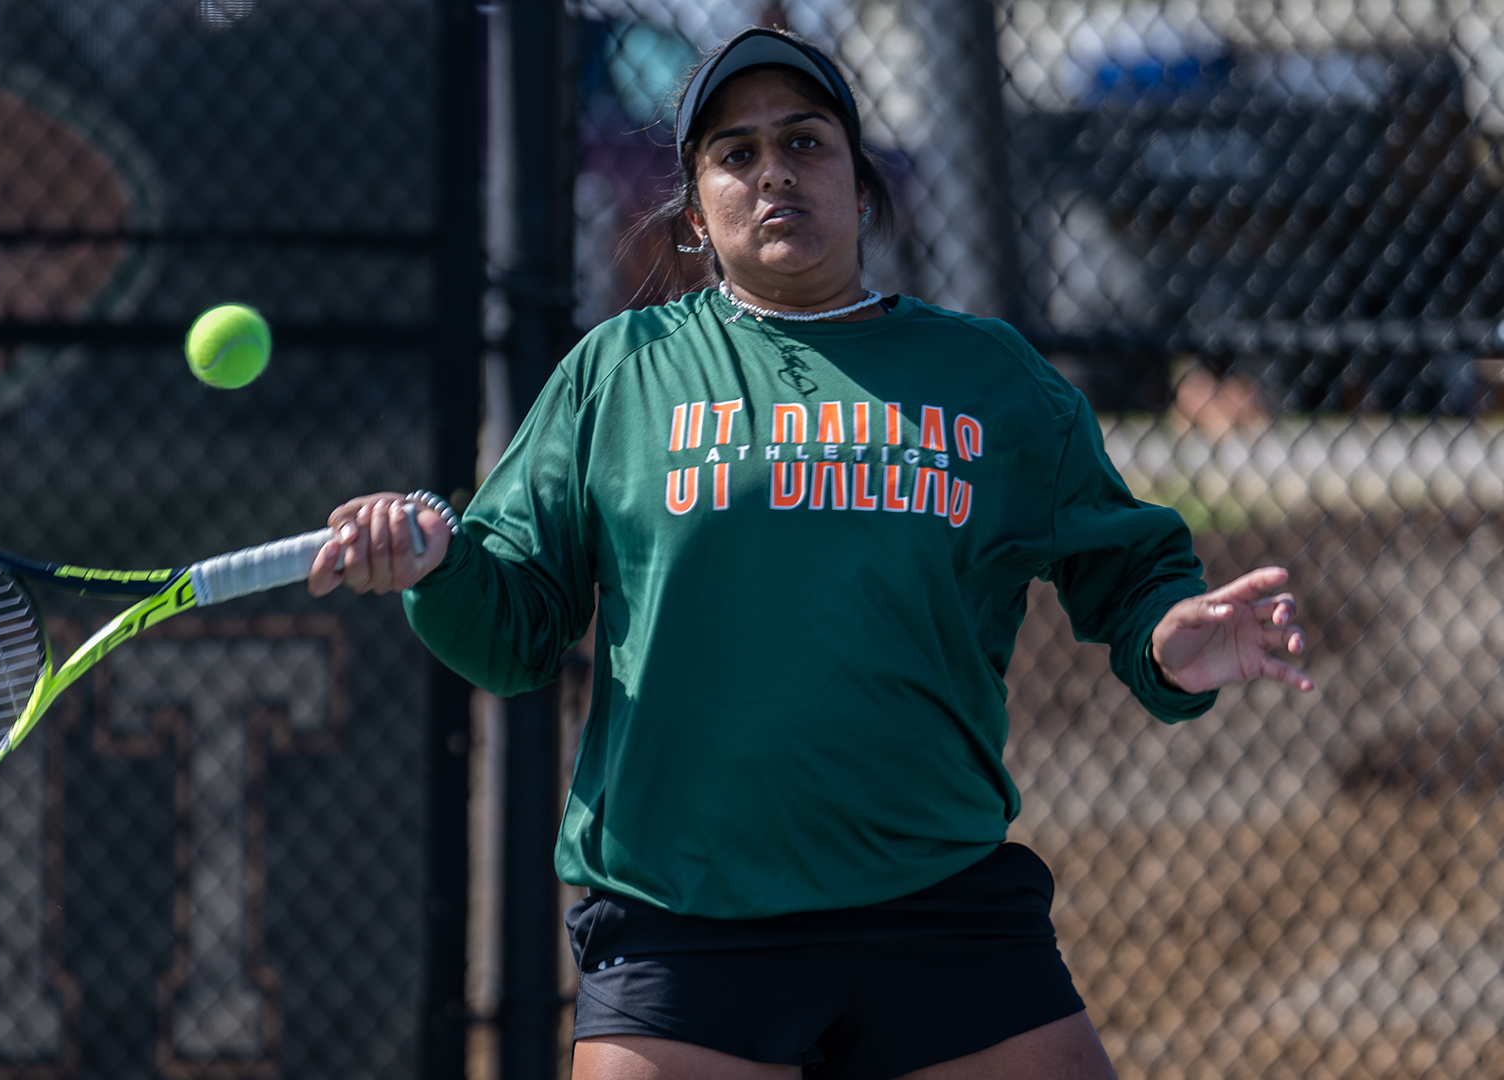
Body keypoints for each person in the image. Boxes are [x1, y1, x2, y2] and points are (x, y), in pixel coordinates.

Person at [307, 27, 1313, 1080]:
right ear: (696, 215)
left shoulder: (988, 374)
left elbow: (1129, 568)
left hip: (936, 905)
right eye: (735, 153)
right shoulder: (621, 372)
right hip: (685, 916)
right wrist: (436, 570)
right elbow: (512, 630)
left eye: (805, 141)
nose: (774, 171)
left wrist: (1168, 636)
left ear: (862, 186)